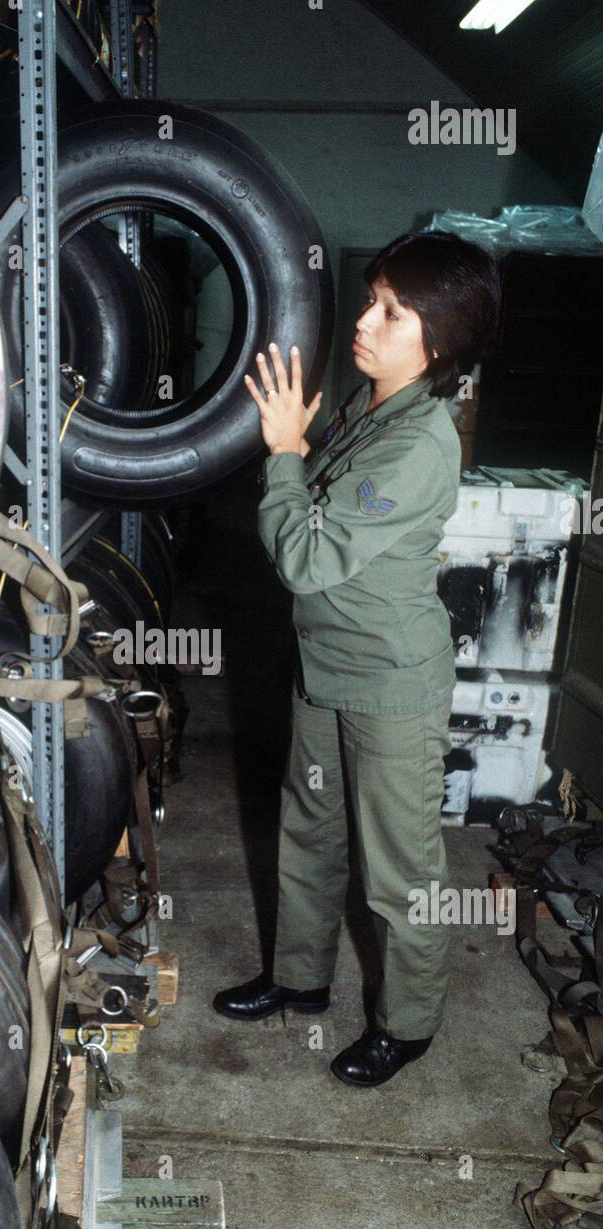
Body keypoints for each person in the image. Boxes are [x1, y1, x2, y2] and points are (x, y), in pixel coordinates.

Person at [213, 231, 501, 1087]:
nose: (366, 323)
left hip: (389, 685)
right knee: (308, 833)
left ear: (438, 340)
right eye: (372, 300)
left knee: (399, 868)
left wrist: (285, 456)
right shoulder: (368, 405)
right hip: (325, 666)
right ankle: (300, 979)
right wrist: (300, 448)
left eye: (392, 312)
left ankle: (407, 1024)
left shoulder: (415, 443)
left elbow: (306, 557)